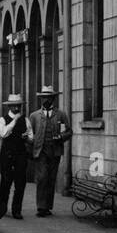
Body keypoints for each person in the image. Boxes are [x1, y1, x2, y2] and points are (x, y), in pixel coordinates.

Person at [28, 85, 71, 218]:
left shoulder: (61, 114)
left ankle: (47, 207)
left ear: (53, 98)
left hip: (55, 150)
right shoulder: (34, 115)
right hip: (40, 151)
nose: (46, 100)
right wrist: (30, 142)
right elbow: (30, 133)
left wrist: (61, 137)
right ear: (41, 99)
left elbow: (69, 131)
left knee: (51, 179)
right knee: (42, 178)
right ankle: (41, 207)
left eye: (49, 97)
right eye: (44, 97)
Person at [0, 93, 32, 220]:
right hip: (7, 154)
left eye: (18, 106)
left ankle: (17, 210)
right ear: (9, 107)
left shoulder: (26, 120)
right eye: (14, 106)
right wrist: (15, 120)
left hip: (21, 154)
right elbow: (4, 134)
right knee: (5, 182)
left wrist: (26, 137)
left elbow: (31, 137)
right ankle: (2, 208)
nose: (16, 108)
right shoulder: (2, 120)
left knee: (20, 183)